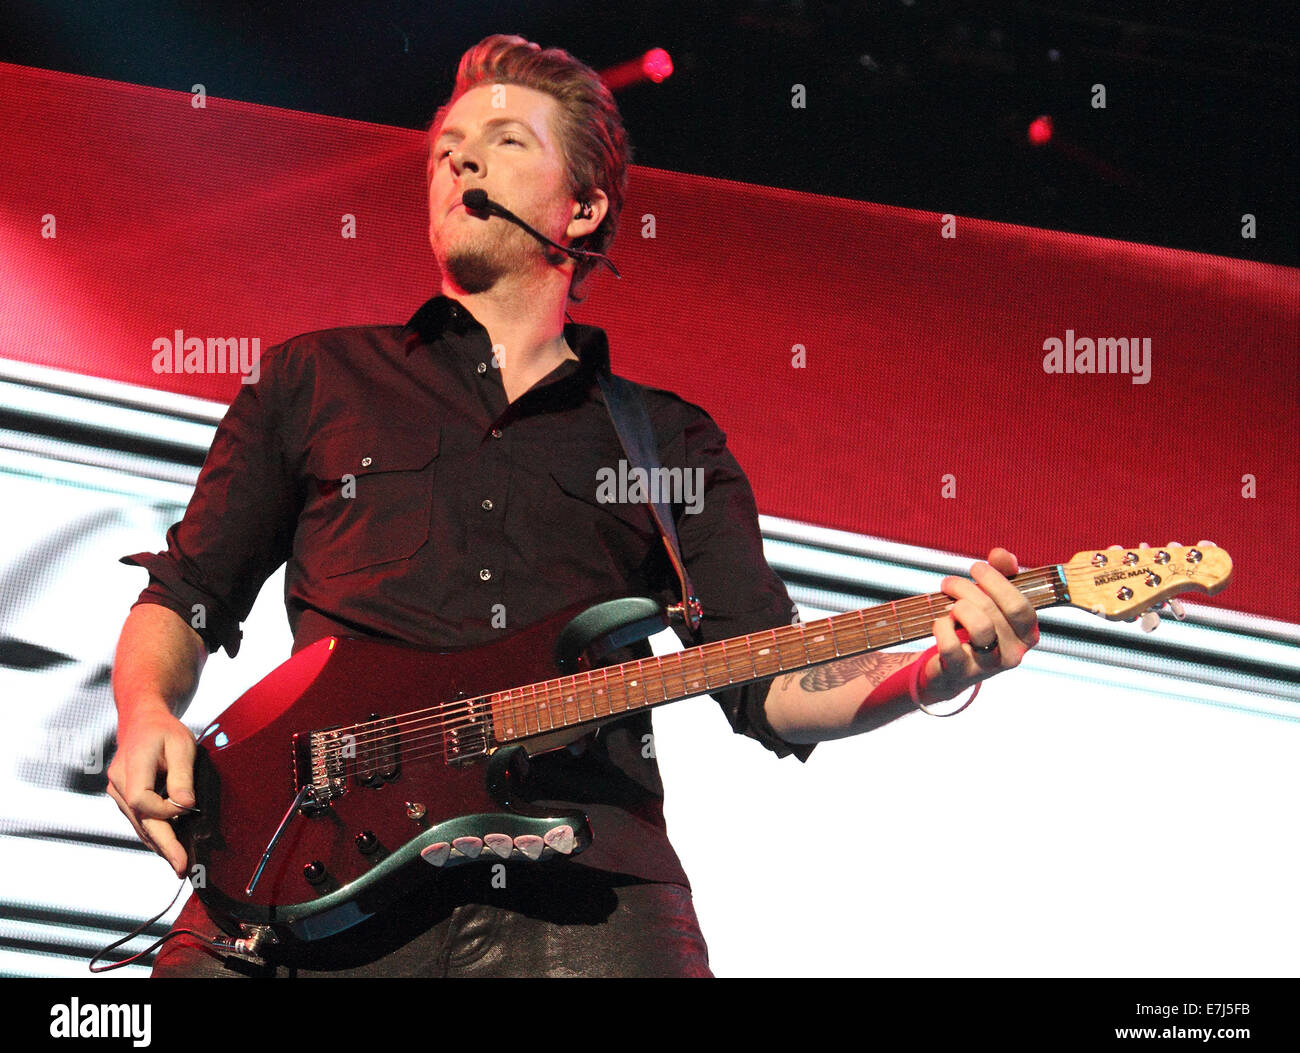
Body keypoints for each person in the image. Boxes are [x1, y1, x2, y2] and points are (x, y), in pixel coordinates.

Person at [107, 35, 1039, 977]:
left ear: (584, 206)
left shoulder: (665, 441)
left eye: (505, 141)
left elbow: (770, 680)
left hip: (583, 892)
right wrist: (146, 712)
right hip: (305, 870)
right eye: (447, 147)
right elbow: (186, 594)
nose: (460, 158)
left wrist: (933, 671)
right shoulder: (317, 377)